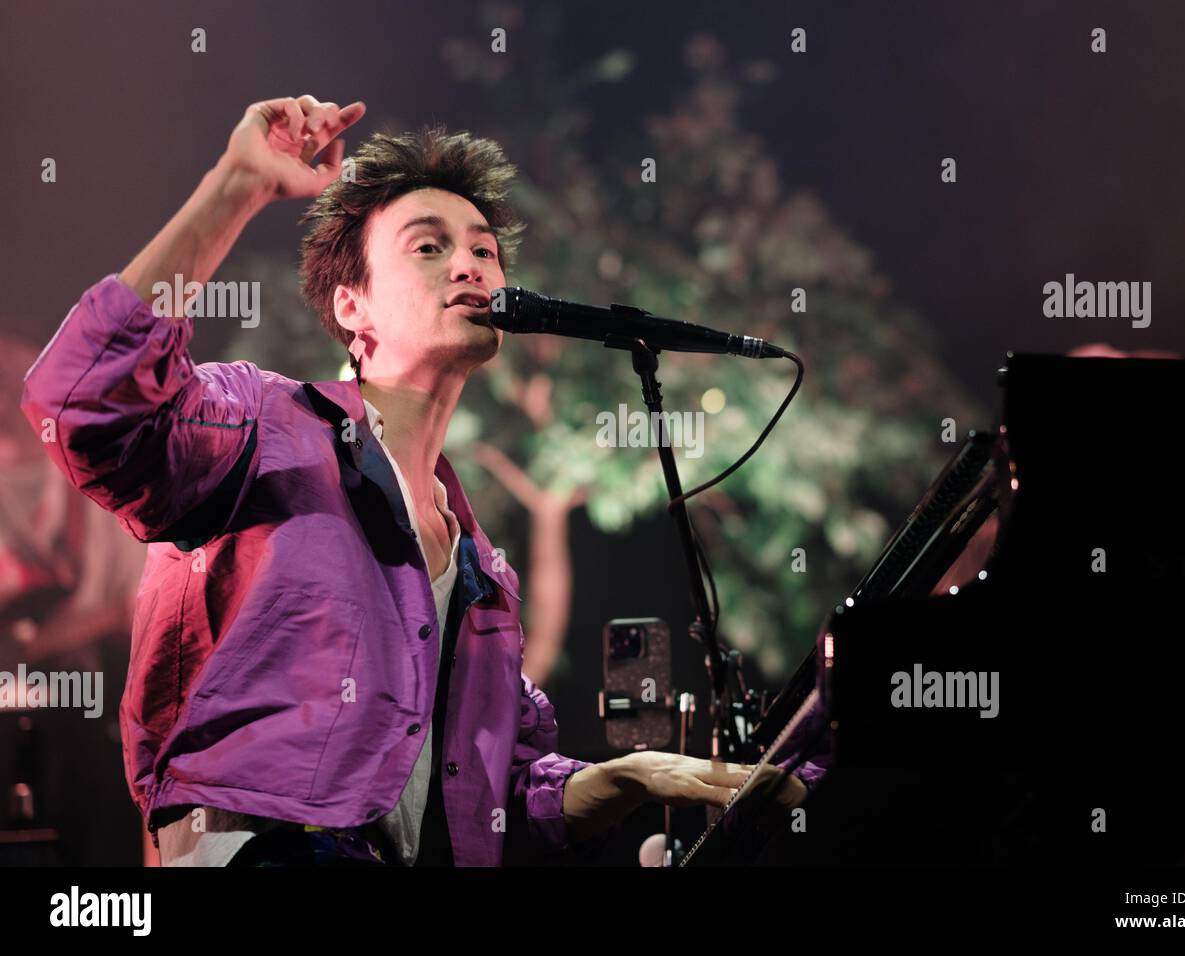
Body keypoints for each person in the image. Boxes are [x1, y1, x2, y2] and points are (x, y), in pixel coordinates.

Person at [20, 94, 813, 866]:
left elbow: (491, 800)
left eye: (484, 251)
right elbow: (84, 401)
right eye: (428, 247)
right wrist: (239, 184)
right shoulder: (263, 424)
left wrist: (625, 778)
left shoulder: (481, 569)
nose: (469, 265)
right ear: (352, 306)